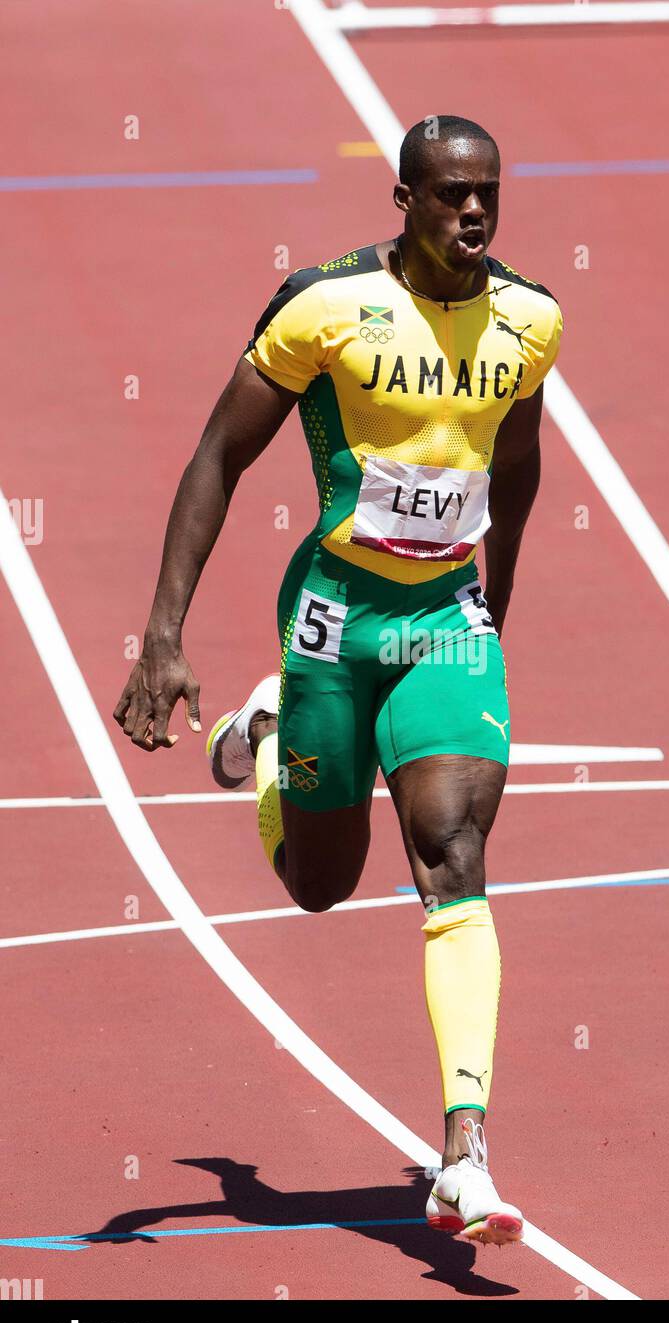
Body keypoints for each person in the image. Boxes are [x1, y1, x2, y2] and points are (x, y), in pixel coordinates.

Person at [114, 115, 562, 1246]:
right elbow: (219, 454)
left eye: (488, 193)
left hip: (445, 621)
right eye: (451, 194)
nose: (474, 211)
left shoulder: (530, 321)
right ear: (404, 201)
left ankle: (464, 1156)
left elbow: (516, 464)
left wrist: (495, 606)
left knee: (454, 853)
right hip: (333, 620)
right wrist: (162, 636)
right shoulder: (323, 308)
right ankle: (272, 736)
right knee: (320, 883)